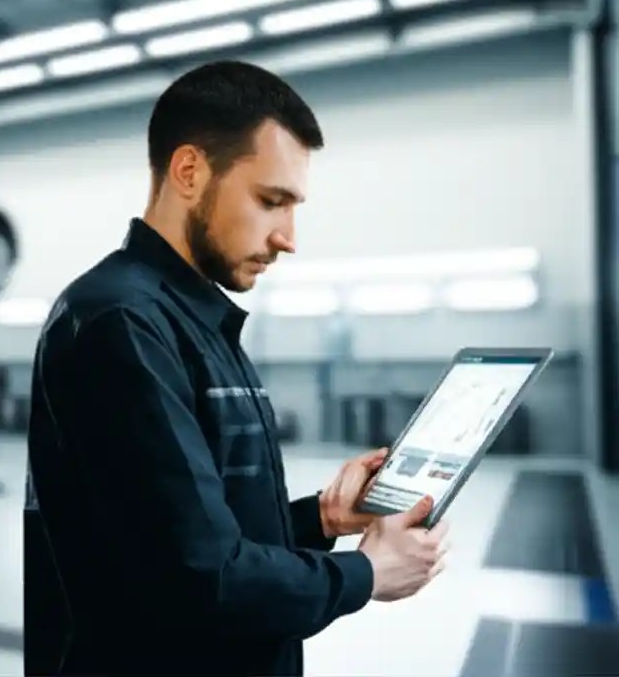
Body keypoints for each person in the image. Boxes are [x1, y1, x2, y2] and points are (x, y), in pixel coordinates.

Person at [23, 61, 450, 676]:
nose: (288, 237)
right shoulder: (119, 323)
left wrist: (322, 518)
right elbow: (198, 581)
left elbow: (193, 533)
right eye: (271, 201)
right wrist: (365, 573)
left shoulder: (197, 322)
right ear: (190, 171)